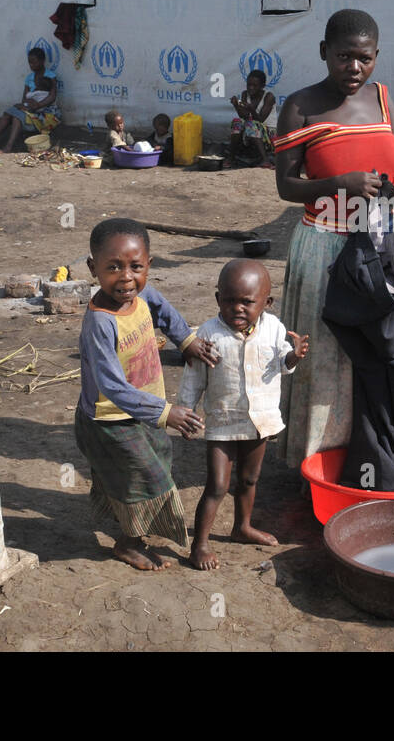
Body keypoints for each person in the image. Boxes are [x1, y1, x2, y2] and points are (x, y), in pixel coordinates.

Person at [272, 9, 394, 477]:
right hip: (323, 247)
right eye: (343, 57)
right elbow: (286, 186)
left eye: (364, 58)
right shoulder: (299, 106)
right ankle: (315, 465)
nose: (354, 69)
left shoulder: (382, 99)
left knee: (372, 357)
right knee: (323, 359)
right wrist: (340, 183)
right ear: (324, 53)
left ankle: (364, 460)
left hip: (377, 250)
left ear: (376, 58)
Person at [75, 217, 219, 571]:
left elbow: (164, 312)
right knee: (145, 476)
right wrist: (167, 412)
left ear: (148, 266)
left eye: (135, 267)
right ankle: (128, 542)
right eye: (112, 268)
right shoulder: (100, 322)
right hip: (110, 420)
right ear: (93, 268)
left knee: (157, 461)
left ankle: (132, 530)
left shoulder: (142, 296)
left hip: (143, 412)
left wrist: (186, 341)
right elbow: (111, 385)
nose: (126, 277)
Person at [177, 259, 309, 570]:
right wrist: (185, 410)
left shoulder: (274, 329)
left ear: (267, 302)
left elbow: (280, 363)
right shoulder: (208, 333)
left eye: (247, 302)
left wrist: (293, 355)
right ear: (217, 299)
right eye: (229, 300)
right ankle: (200, 544)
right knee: (217, 485)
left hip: (259, 420)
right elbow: (194, 377)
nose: (238, 308)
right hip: (222, 422)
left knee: (249, 479)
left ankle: (242, 527)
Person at [0, 47, 60, 152]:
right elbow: (25, 99)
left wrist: (37, 105)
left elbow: (52, 97)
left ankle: (8, 146)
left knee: (17, 117)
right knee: (8, 113)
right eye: (29, 62)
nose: (31, 65)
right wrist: (26, 105)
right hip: (30, 110)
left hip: (45, 114)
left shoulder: (51, 76)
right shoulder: (29, 78)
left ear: (42, 61)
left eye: (34, 62)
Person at [226, 70, 276, 168]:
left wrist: (252, 110)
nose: (250, 88)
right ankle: (230, 158)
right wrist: (236, 105)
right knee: (237, 122)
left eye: (254, 85)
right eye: (249, 85)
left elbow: (260, 119)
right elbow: (244, 116)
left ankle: (266, 161)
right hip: (252, 129)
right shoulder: (245, 94)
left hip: (269, 133)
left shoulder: (269, 97)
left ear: (262, 86)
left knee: (251, 124)